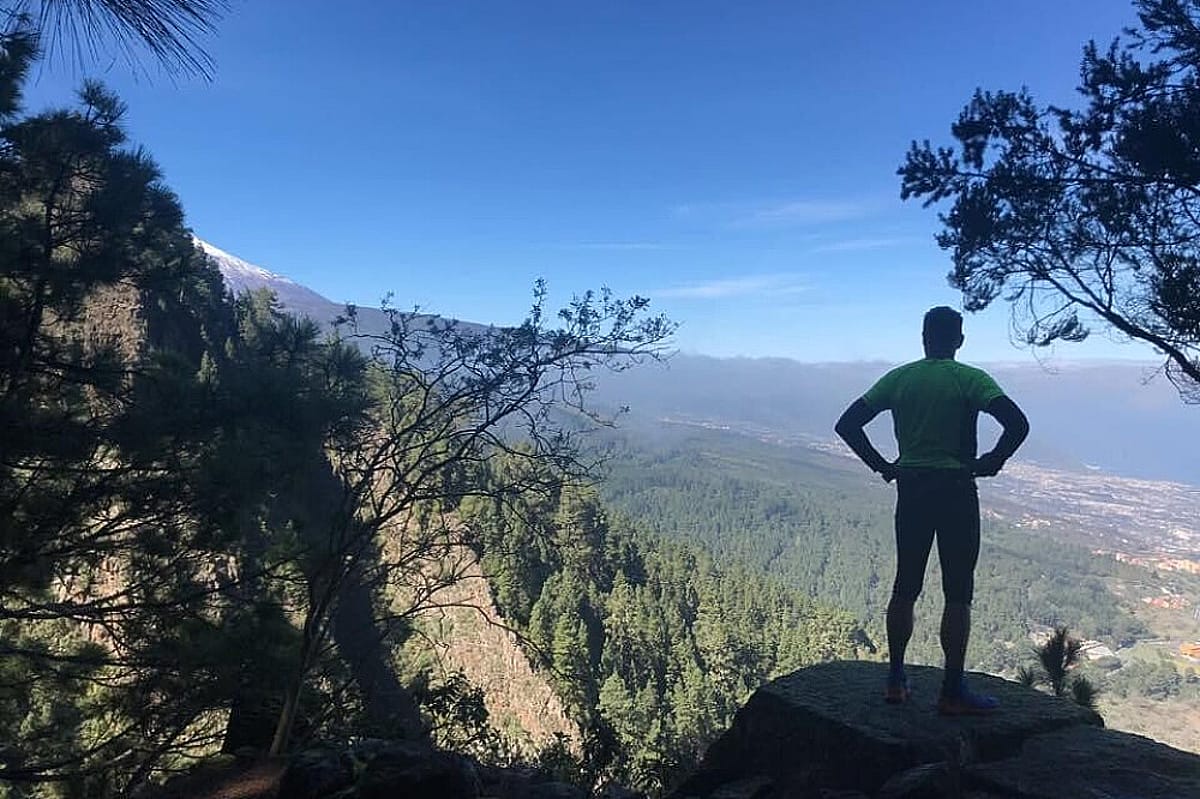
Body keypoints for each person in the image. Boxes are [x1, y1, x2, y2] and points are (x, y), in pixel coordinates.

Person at [834, 306, 1029, 715]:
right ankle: (952, 690)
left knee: (906, 584)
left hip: (912, 490)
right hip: (957, 489)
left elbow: (848, 424)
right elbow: (1017, 423)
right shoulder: (971, 379)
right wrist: (993, 460)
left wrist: (883, 466)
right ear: (958, 340)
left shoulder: (900, 378)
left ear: (923, 338)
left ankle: (894, 680)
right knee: (958, 592)